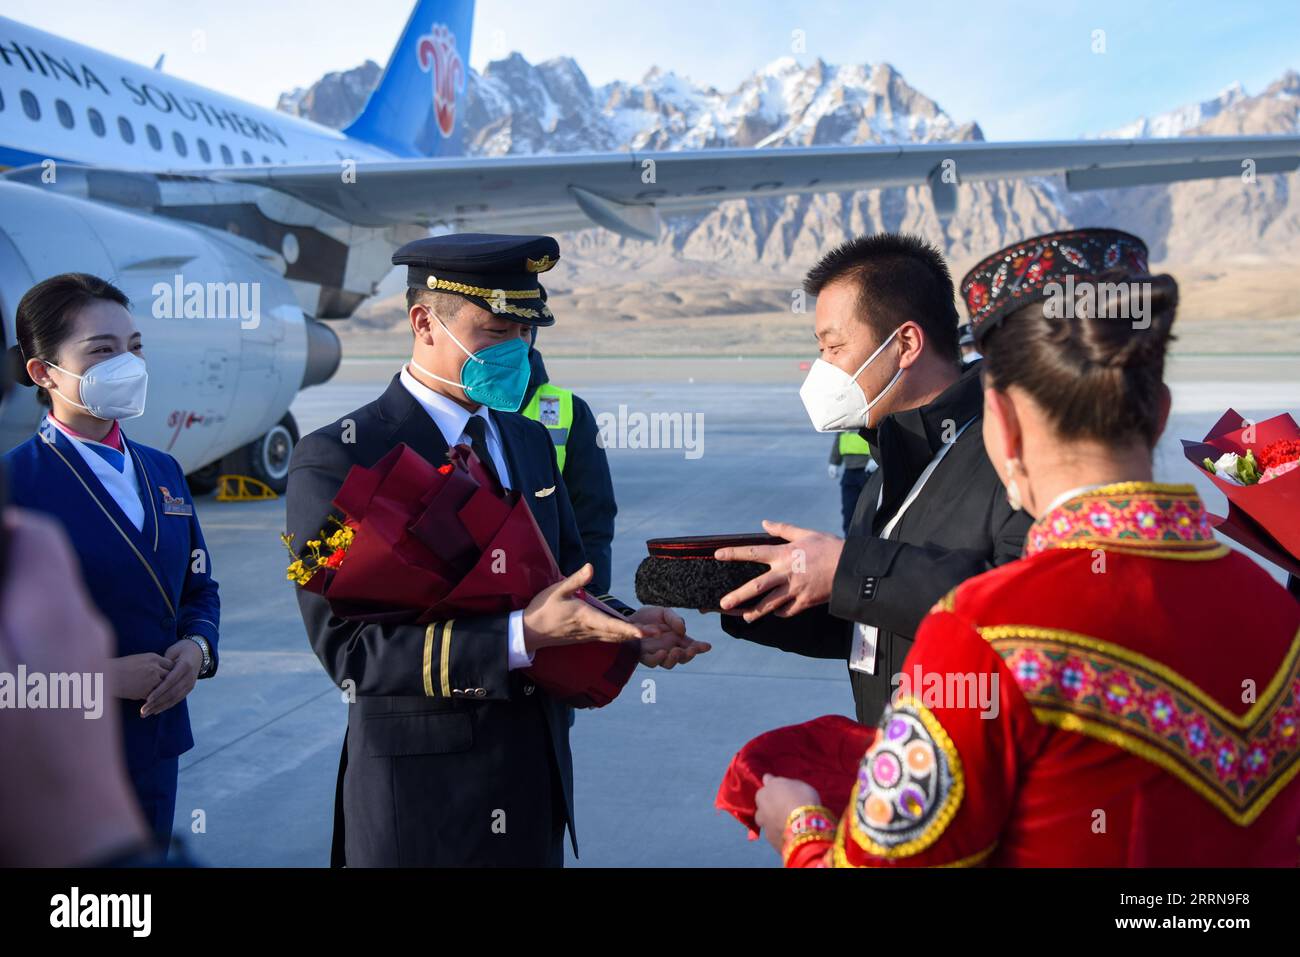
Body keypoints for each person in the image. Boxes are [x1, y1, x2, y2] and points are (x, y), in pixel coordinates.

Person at [752, 228, 1300, 866]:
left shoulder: (984, 633)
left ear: (1002, 425)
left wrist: (800, 826)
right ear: (1159, 413)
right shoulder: (1274, 608)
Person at [286, 233, 709, 868]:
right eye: (494, 332)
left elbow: (561, 581)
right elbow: (348, 650)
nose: (515, 351)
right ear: (423, 322)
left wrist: (621, 627)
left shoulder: (529, 440)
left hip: (534, 781)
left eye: (526, 334)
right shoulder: (337, 456)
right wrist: (522, 635)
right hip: (424, 805)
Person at [712, 234, 1031, 724]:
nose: (823, 369)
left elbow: (1018, 613)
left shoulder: (1011, 456)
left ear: (904, 344)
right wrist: (757, 595)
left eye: (834, 347)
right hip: (895, 774)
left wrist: (849, 569)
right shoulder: (891, 460)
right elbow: (879, 624)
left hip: (976, 778)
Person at [3, 273, 221, 853]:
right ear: (43, 372)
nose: (127, 363)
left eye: (135, 347)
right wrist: (96, 680)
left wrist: (196, 650)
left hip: (156, 742)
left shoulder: (163, 472)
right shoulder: (14, 484)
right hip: (53, 760)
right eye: (102, 350)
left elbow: (199, 589)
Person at [521, 311, 618, 596]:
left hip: (551, 593)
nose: (512, 342)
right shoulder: (447, 410)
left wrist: (592, 597)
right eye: (496, 330)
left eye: (523, 330)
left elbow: (593, 517)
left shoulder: (568, 409)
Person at [827, 432, 876, 536]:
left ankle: (869, 541)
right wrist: (834, 462)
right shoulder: (843, 420)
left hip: (868, 470)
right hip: (849, 471)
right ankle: (849, 541)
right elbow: (839, 437)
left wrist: (874, 458)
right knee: (848, 510)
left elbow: (877, 435)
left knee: (869, 510)